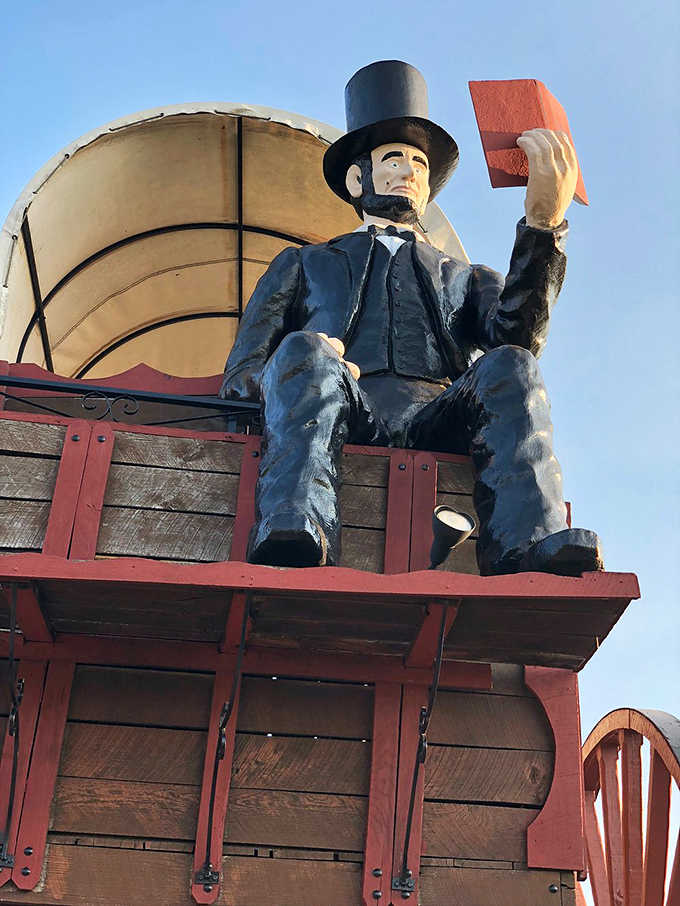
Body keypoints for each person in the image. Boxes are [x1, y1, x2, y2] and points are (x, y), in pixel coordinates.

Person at [220, 60, 603, 576]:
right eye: (394, 158)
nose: (409, 172)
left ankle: (524, 541)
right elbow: (241, 377)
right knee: (302, 348)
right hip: (345, 411)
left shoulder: (467, 277)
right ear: (357, 179)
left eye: (420, 165)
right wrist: (308, 363)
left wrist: (543, 226)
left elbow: (519, 338)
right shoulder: (303, 263)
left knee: (510, 363)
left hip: (439, 418)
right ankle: (298, 525)